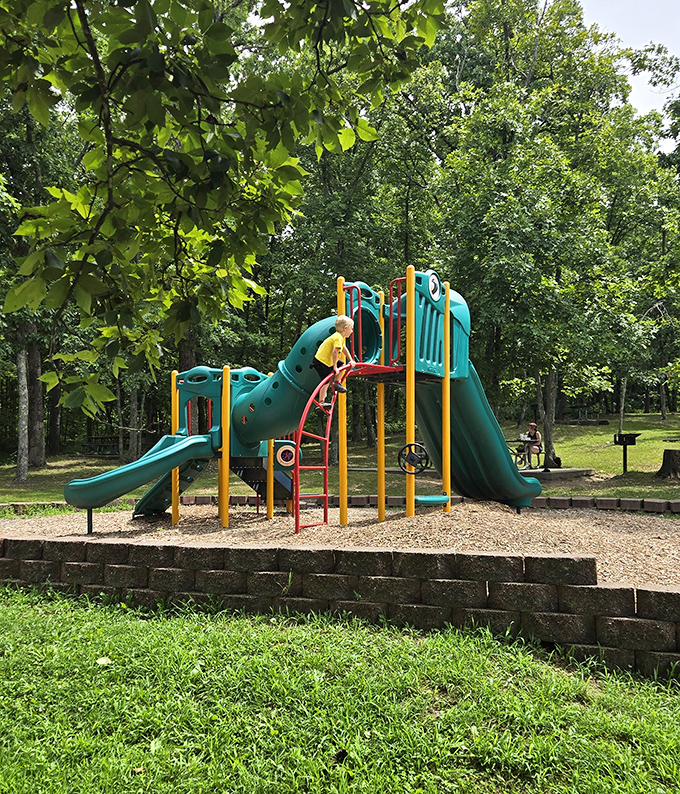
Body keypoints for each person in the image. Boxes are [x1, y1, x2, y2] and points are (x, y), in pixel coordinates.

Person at [311, 315, 356, 407]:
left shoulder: (340, 337)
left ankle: (336, 383)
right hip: (321, 362)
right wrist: (335, 367)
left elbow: (344, 349)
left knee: (342, 365)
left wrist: (351, 360)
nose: (352, 331)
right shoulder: (337, 337)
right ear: (345, 328)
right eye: (351, 329)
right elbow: (335, 352)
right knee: (325, 381)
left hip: (327, 361)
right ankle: (321, 402)